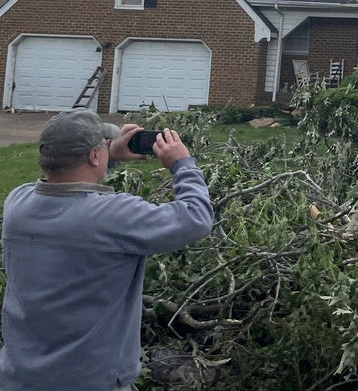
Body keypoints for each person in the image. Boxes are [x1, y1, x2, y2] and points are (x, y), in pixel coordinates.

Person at [0, 110, 214, 391]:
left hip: (19, 377)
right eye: (102, 144)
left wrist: (108, 154)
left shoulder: (19, 204)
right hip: (89, 380)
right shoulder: (114, 216)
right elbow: (196, 218)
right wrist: (182, 164)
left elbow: (65, 184)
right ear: (93, 156)